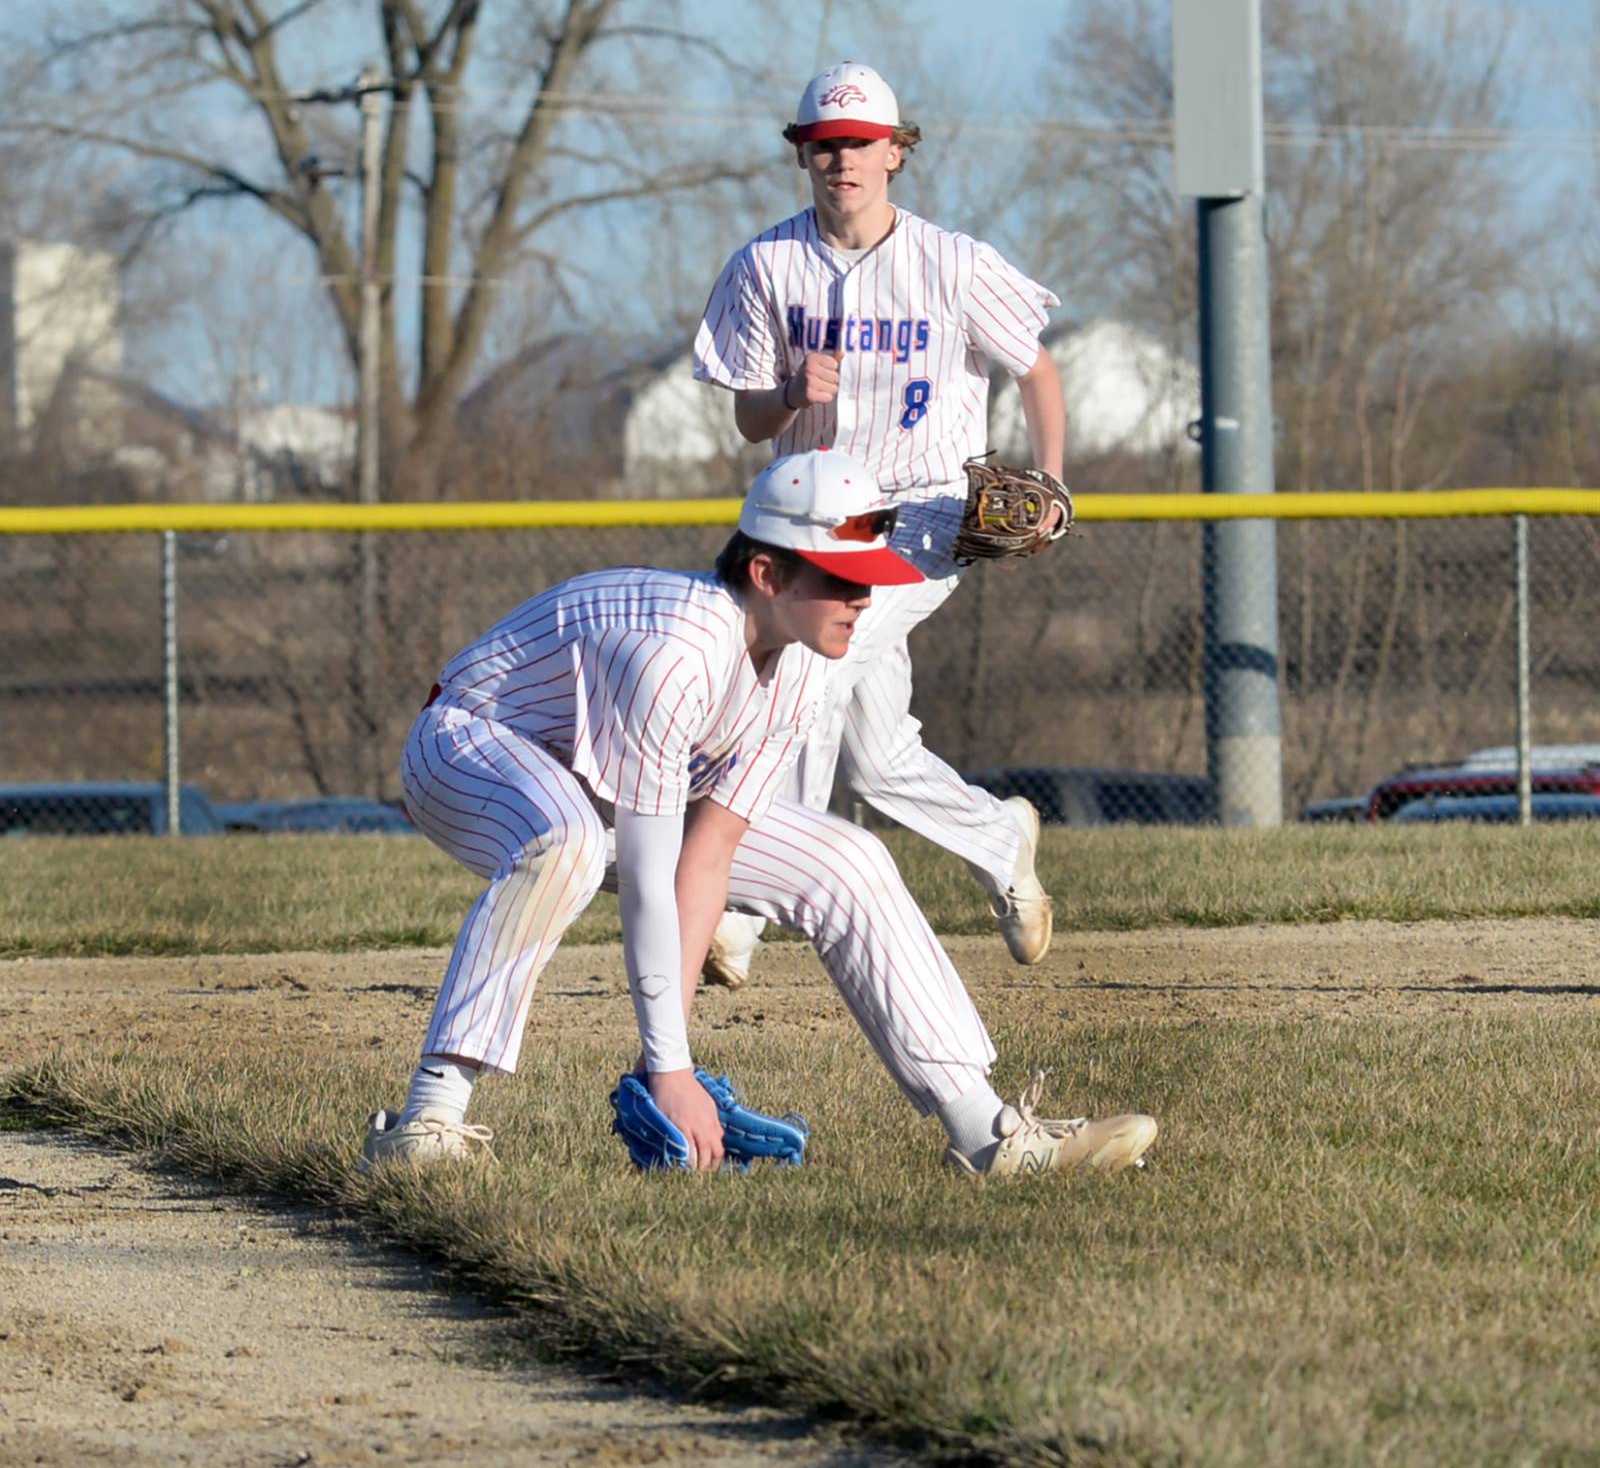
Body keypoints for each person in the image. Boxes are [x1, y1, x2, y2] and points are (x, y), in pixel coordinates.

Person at [360, 450, 1155, 1178]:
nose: (862, 596)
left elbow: (703, 858)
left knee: (847, 861)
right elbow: (645, 874)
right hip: (469, 745)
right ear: (768, 574)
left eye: (867, 575)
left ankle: (991, 1137)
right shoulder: (674, 653)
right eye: (839, 578)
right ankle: (428, 1121)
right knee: (564, 839)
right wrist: (670, 1072)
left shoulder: (803, 661)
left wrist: (662, 1060)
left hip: (593, 777)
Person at [694, 60, 1070, 988]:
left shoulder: (953, 262)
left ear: (895, 153)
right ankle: (998, 836)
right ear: (803, 157)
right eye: (822, 146)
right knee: (876, 755)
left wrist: (1054, 482)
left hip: (926, 516)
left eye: (859, 144)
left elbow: (1037, 368)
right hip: (811, 522)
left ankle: (743, 905)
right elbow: (746, 415)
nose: (841, 160)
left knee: (812, 681)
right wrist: (785, 395)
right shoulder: (767, 265)